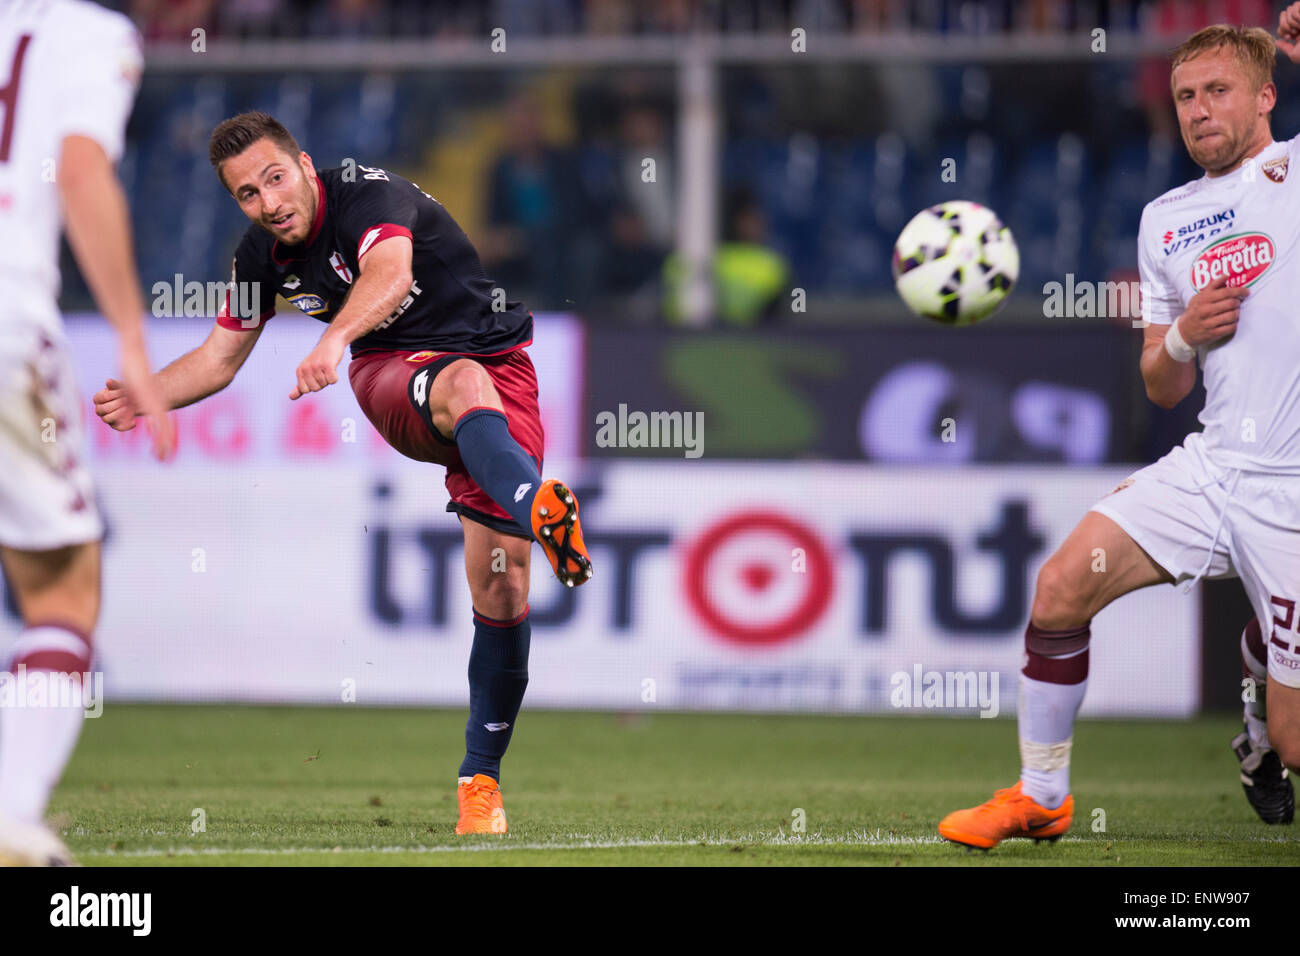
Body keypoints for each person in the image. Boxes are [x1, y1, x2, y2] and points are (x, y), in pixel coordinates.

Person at [93, 111, 591, 835]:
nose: (268, 203)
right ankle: (535, 502)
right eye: (247, 194)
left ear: (305, 164)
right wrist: (148, 393)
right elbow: (219, 358)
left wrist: (330, 335)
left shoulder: (368, 195)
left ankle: (479, 784)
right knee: (460, 388)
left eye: (273, 178)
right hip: (392, 375)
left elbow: (391, 273)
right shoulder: (258, 257)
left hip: (502, 369)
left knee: (504, 581)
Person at [939, 14, 1300, 849]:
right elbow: (1159, 379)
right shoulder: (1164, 219)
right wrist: (1184, 337)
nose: (1199, 110)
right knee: (1060, 588)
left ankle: (1260, 689)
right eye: (1184, 97)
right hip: (1214, 466)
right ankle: (1042, 796)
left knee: (1292, 740)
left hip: (1292, 490)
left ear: (1267, 96)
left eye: (1218, 91)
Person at [0, 0, 174, 866]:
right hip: (5, 318)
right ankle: (10, 814)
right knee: (63, 591)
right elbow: (78, 169)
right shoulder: (86, 33)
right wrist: (134, 342)